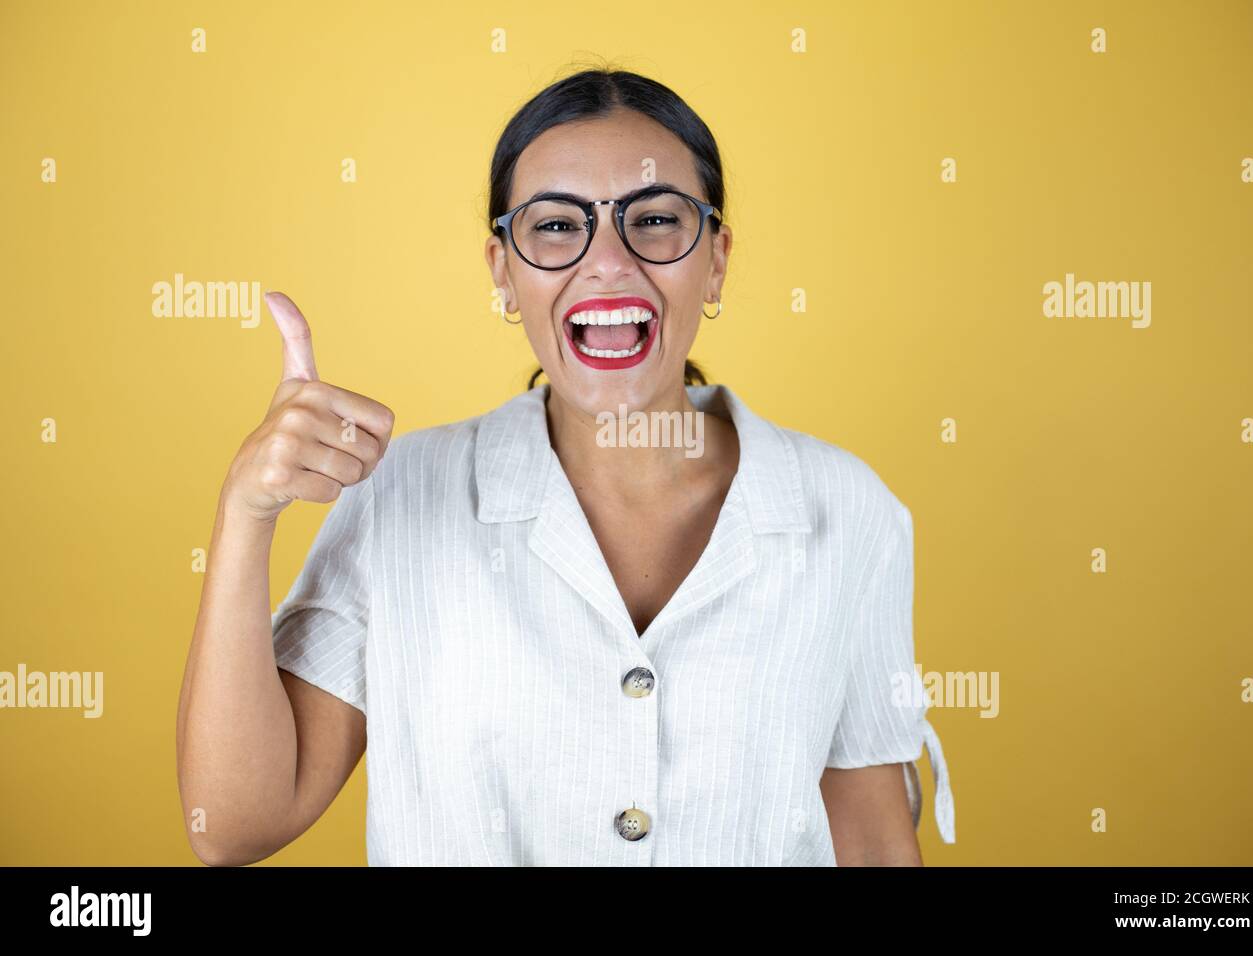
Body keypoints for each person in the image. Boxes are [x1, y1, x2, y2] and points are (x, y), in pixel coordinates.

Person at [176, 66, 954, 866]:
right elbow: (233, 823)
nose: (608, 262)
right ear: (502, 270)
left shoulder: (847, 509)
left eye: (654, 220)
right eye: (555, 227)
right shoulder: (400, 500)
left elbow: (873, 841)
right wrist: (247, 510)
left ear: (716, 260)